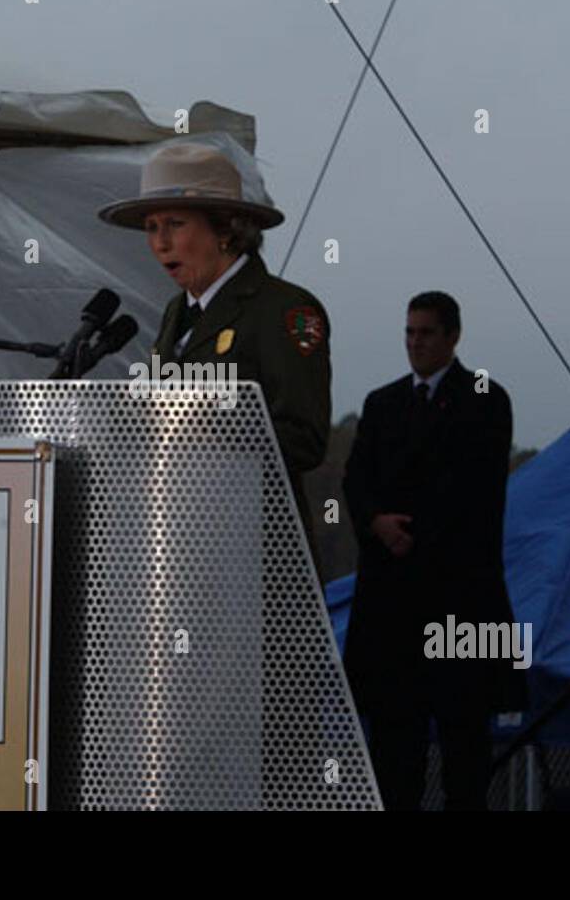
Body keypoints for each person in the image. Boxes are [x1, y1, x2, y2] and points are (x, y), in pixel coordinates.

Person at [98, 143, 332, 572]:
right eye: (151, 227)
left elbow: (305, 438)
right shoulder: (177, 312)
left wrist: (196, 433)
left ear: (226, 229)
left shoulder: (285, 310)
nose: (160, 242)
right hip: (177, 552)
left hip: (254, 559)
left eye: (174, 224)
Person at [341, 291, 524, 810]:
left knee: (465, 754)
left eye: (425, 333)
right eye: (409, 332)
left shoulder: (486, 399)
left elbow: (476, 490)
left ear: (452, 337)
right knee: (395, 754)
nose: (415, 343)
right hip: (392, 613)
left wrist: (413, 535)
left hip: (459, 604)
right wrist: (377, 523)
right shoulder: (383, 404)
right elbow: (356, 478)